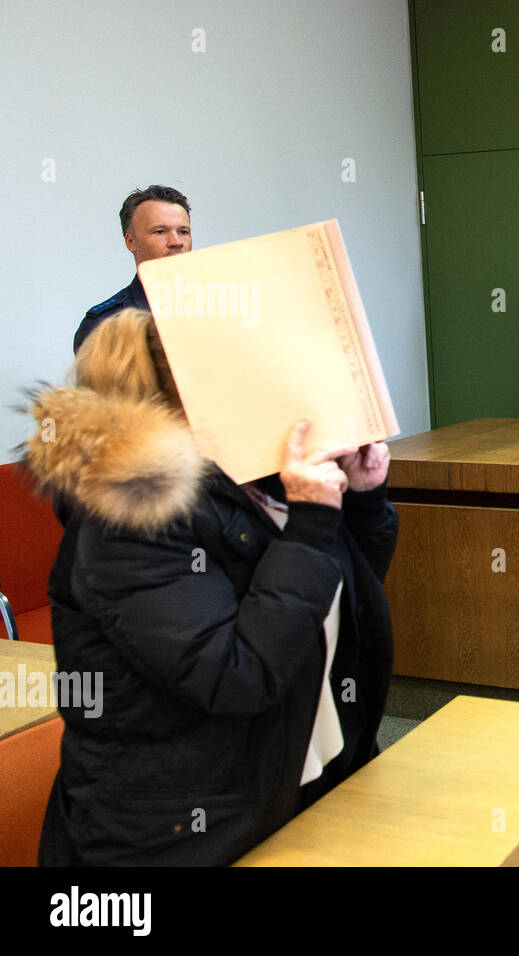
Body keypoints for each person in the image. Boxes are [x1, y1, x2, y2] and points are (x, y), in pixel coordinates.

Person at [26, 308, 396, 865]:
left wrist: (361, 498)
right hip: (182, 831)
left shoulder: (242, 477)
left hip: (283, 778)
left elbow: (333, 594)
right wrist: (312, 522)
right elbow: (235, 674)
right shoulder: (129, 517)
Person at [73, 185, 192, 354]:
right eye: (160, 231)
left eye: (183, 231)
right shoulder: (104, 324)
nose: (176, 241)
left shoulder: (220, 307)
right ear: (131, 242)